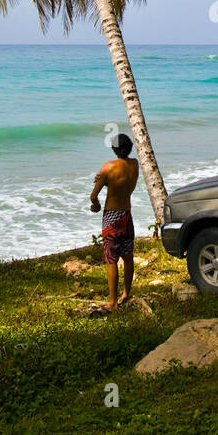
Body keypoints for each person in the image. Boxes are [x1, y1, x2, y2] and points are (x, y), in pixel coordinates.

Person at [90, 133, 140, 310]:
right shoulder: (134, 164)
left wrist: (95, 206)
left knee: (111, 259)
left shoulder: (107, 167)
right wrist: (104, 181)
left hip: (111, 217)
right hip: (127, 214)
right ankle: (126, 293)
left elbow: (93, 196)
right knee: (127, 256)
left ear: (114, 149)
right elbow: (121, 182)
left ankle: (112, 302)